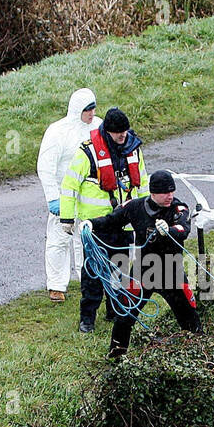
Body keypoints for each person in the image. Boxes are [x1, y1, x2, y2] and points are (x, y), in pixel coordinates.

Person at [88, 169, 200, 359]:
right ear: (153, 193)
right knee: (125, 315)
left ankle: (200, 353)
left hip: (171, 271)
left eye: (172, 191)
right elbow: (112, 220)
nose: (170, 196)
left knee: (189, 317)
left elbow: (183, 229)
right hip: (143, 270)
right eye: (165, 192)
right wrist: (90, 224)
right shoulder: (135, 206)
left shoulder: (178, 208)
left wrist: (170, 231)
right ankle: (116, 355)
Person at [58, 107, 147, 333]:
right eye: (118, 133)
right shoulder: (87, 153)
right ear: (107, 131)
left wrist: (148, 213)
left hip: (124, 223)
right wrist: (67, 218)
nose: (122, 136)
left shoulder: (133, 150)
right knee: (93, 274)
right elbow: (69, 186)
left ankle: (114, 310)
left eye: (124, 132)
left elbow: (143, 182)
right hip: (95, 226)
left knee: (120, 270)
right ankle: (87, 318)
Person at [36, 88, 99, 302]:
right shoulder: (58, 131)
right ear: (76, 109)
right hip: (65, 195)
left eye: (93, 108)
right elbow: (45, 166)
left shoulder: (99, 127)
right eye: (87, 109)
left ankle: (87, 281)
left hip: (91, 196)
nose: (91, 113)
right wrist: (53, 197)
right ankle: (56, 285)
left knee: (87, 239)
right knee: (59, 239)